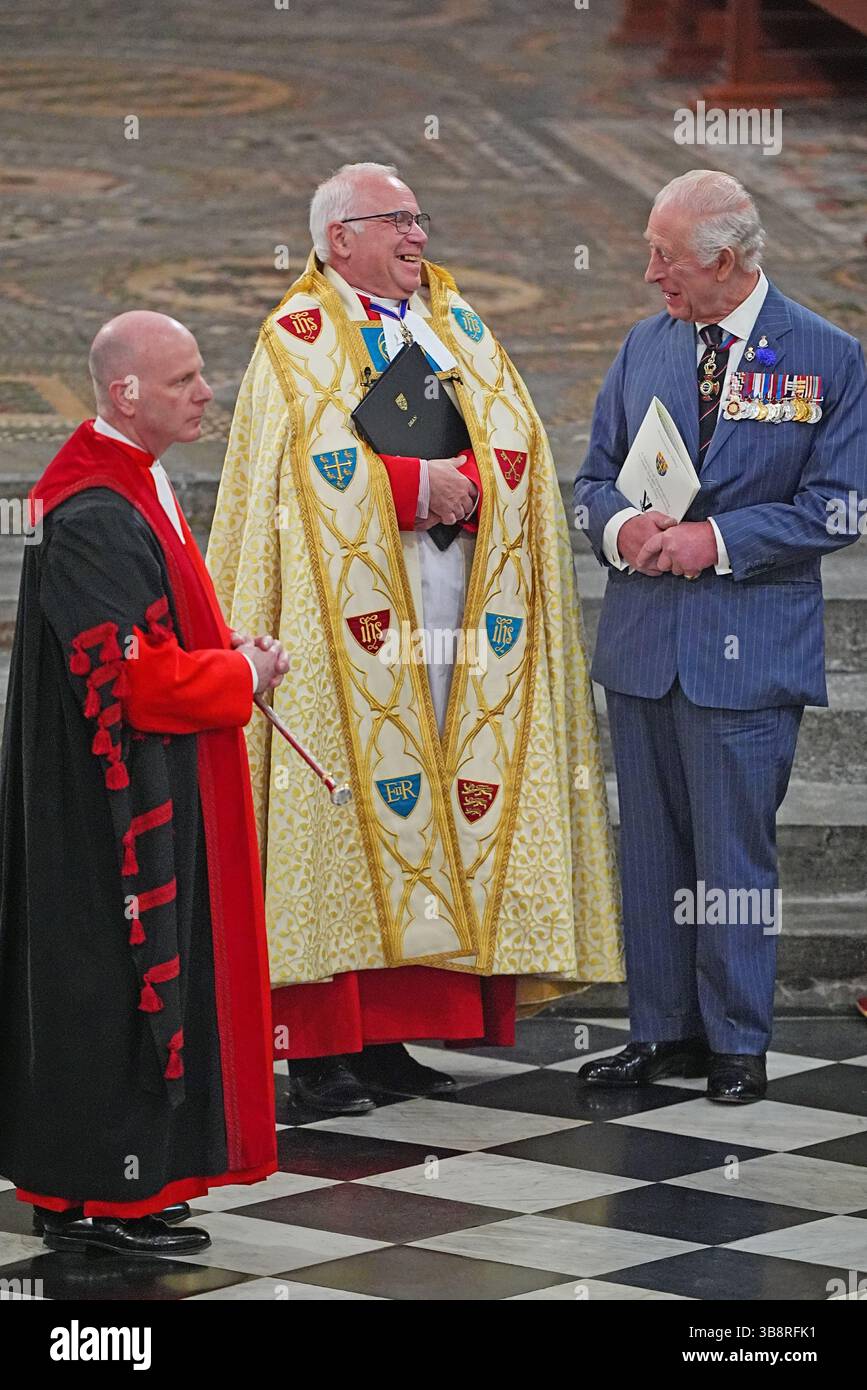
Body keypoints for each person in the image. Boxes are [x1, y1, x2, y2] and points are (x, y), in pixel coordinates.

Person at [207, 161, 622, 1114]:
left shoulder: (453, 323)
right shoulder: (294, 339)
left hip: (459, 611)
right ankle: (316, 1050)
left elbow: (518, 437)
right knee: (345, 822)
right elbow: (291, 478)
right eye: (395, 220)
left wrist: (478, 483)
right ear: (338, 237)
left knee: (435, 804)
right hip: (340, 624)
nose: (418, 236)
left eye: (419, 218)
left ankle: (390, 1035)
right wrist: (406, 487)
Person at [574, 170, 866, 1104]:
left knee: (733, 856)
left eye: (665, 257)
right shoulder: (645, 344)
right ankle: (660, 1031)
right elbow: (593, 480)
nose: (649, 273)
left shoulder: (826, 357)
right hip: (643, 648)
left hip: (746, 654)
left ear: (726, 261)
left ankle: (737, 1041)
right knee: (651, 852)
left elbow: (838, 507)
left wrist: (719, 541)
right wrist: (623, 528)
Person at [0, 311, 289, 1254]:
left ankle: (138, 1183)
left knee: (133, 988)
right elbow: (133, 682)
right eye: (183, 380)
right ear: (126, 394)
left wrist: (220, 645)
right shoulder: (92, 510)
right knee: (107, 986)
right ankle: (93, 1198)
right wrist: (239, 674)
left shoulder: (129, 482)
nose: (206, 393)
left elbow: (149, 631)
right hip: (106, 815)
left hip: (139, 788)